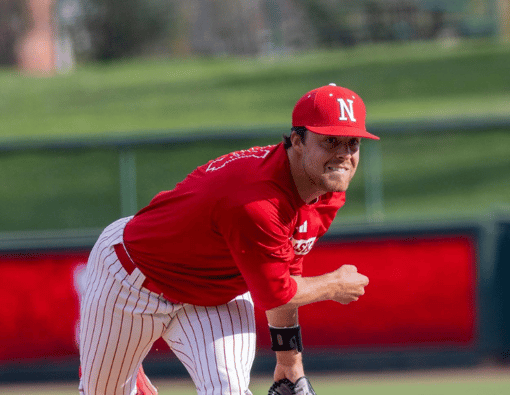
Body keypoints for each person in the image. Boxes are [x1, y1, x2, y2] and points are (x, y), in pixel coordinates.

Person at [78, 84, 377, 395]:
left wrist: (289, 363)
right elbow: (276, 292)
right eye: (330, 141)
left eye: (352, 143)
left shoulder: (326, 191)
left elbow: (286, 271)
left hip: (217, 291)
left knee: (228, 390)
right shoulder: (258, 201)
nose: (343, 154)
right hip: (134, 276)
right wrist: (334, 284)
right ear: (298, 140)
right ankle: (127, 372)